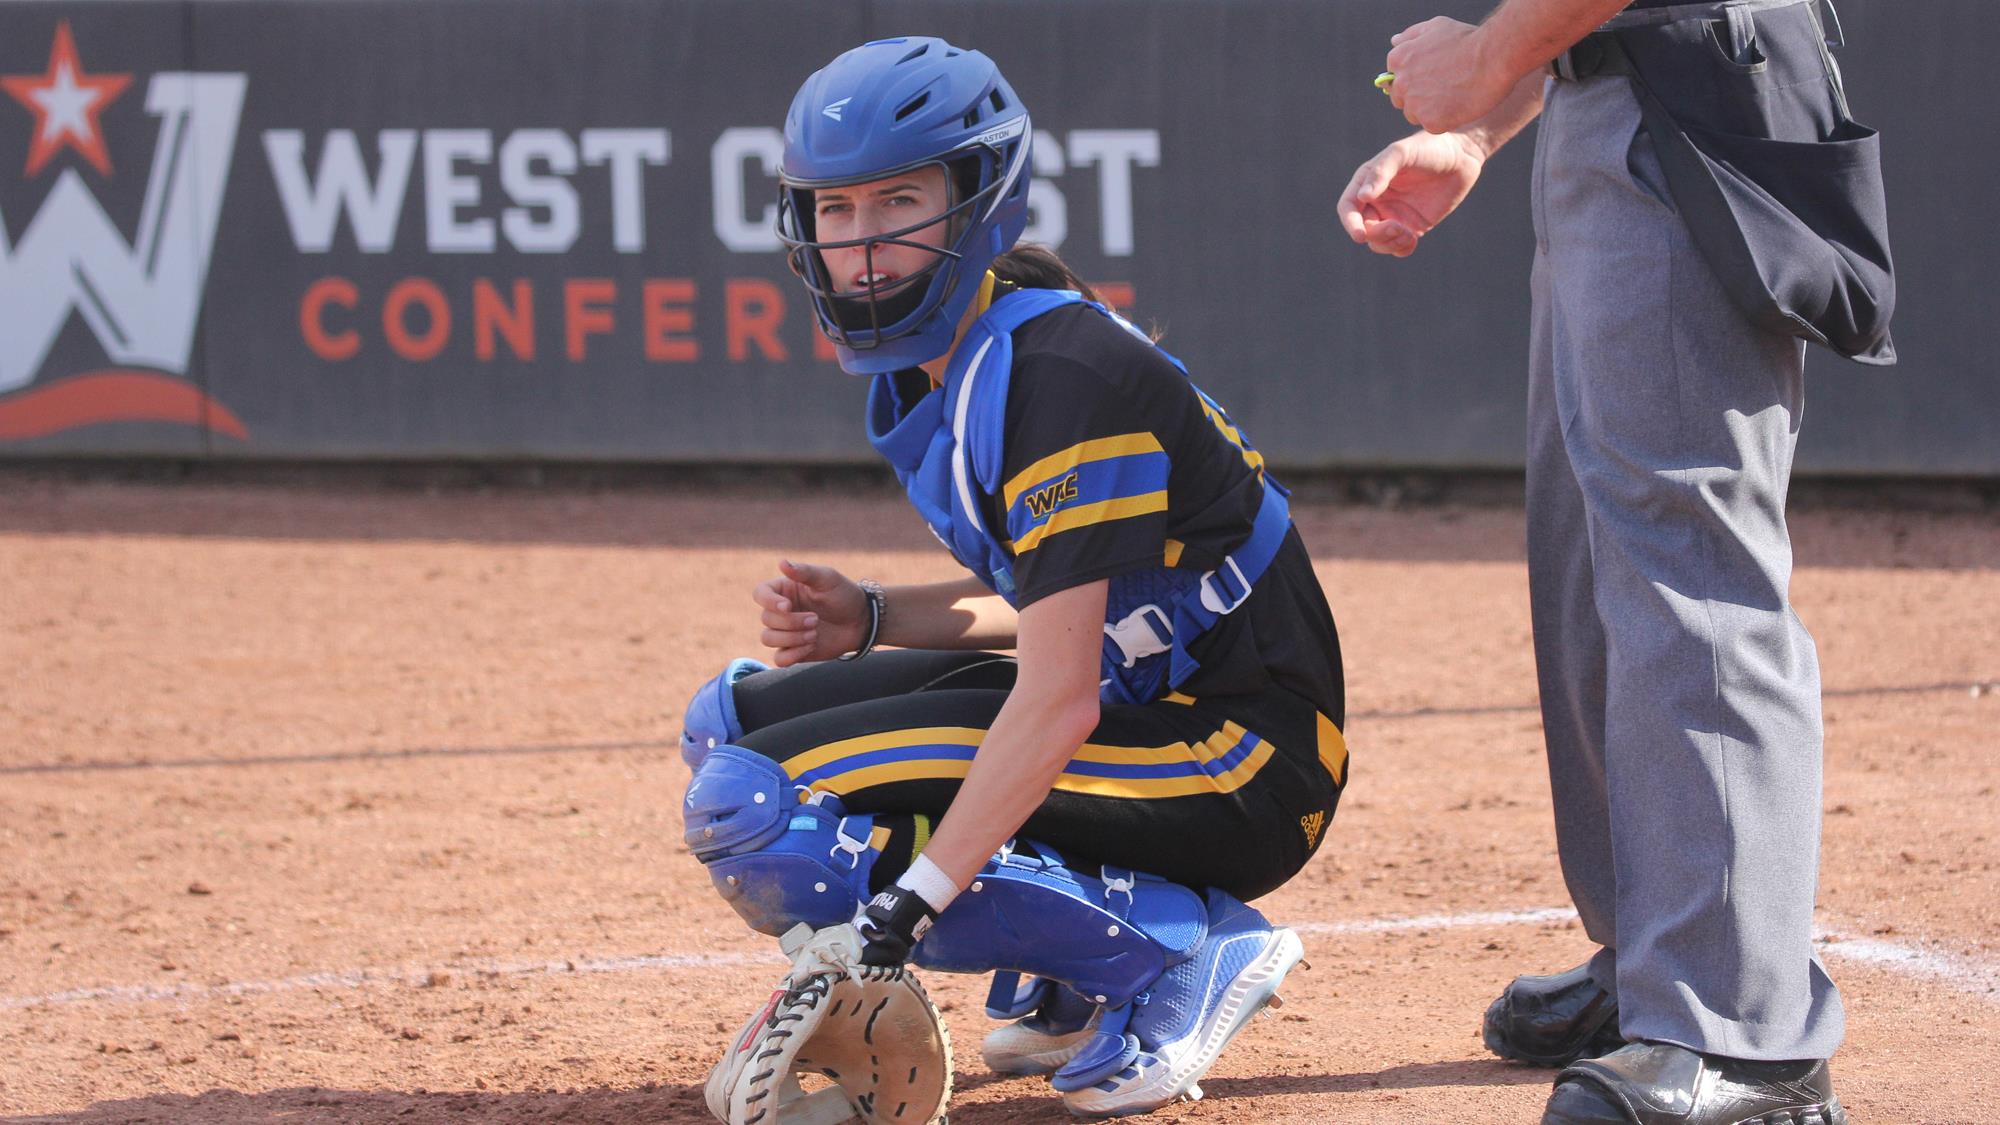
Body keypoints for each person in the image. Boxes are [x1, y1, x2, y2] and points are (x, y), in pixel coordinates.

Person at [678, 36, 1349, 1117]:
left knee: (759, 805)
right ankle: (1083, 957)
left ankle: (1179, 952)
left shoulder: (1054, 373)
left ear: (979, 201)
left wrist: (907, 907)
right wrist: (875, 617)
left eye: (897, 204)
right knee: (729, 722)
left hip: (1236, 760)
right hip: (1142, 713)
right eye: (834, 211)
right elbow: (1063, 618)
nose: (860, 246)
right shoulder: (940, 371)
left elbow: (1059, 691)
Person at [1337, 1, 1883, 1122]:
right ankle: (1656, 965)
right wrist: (1480, 123)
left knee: (1688, 564)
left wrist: (1485, 58)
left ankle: (1741, 1036)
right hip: (1609, 87)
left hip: (1687, 94)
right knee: (1593, 567)